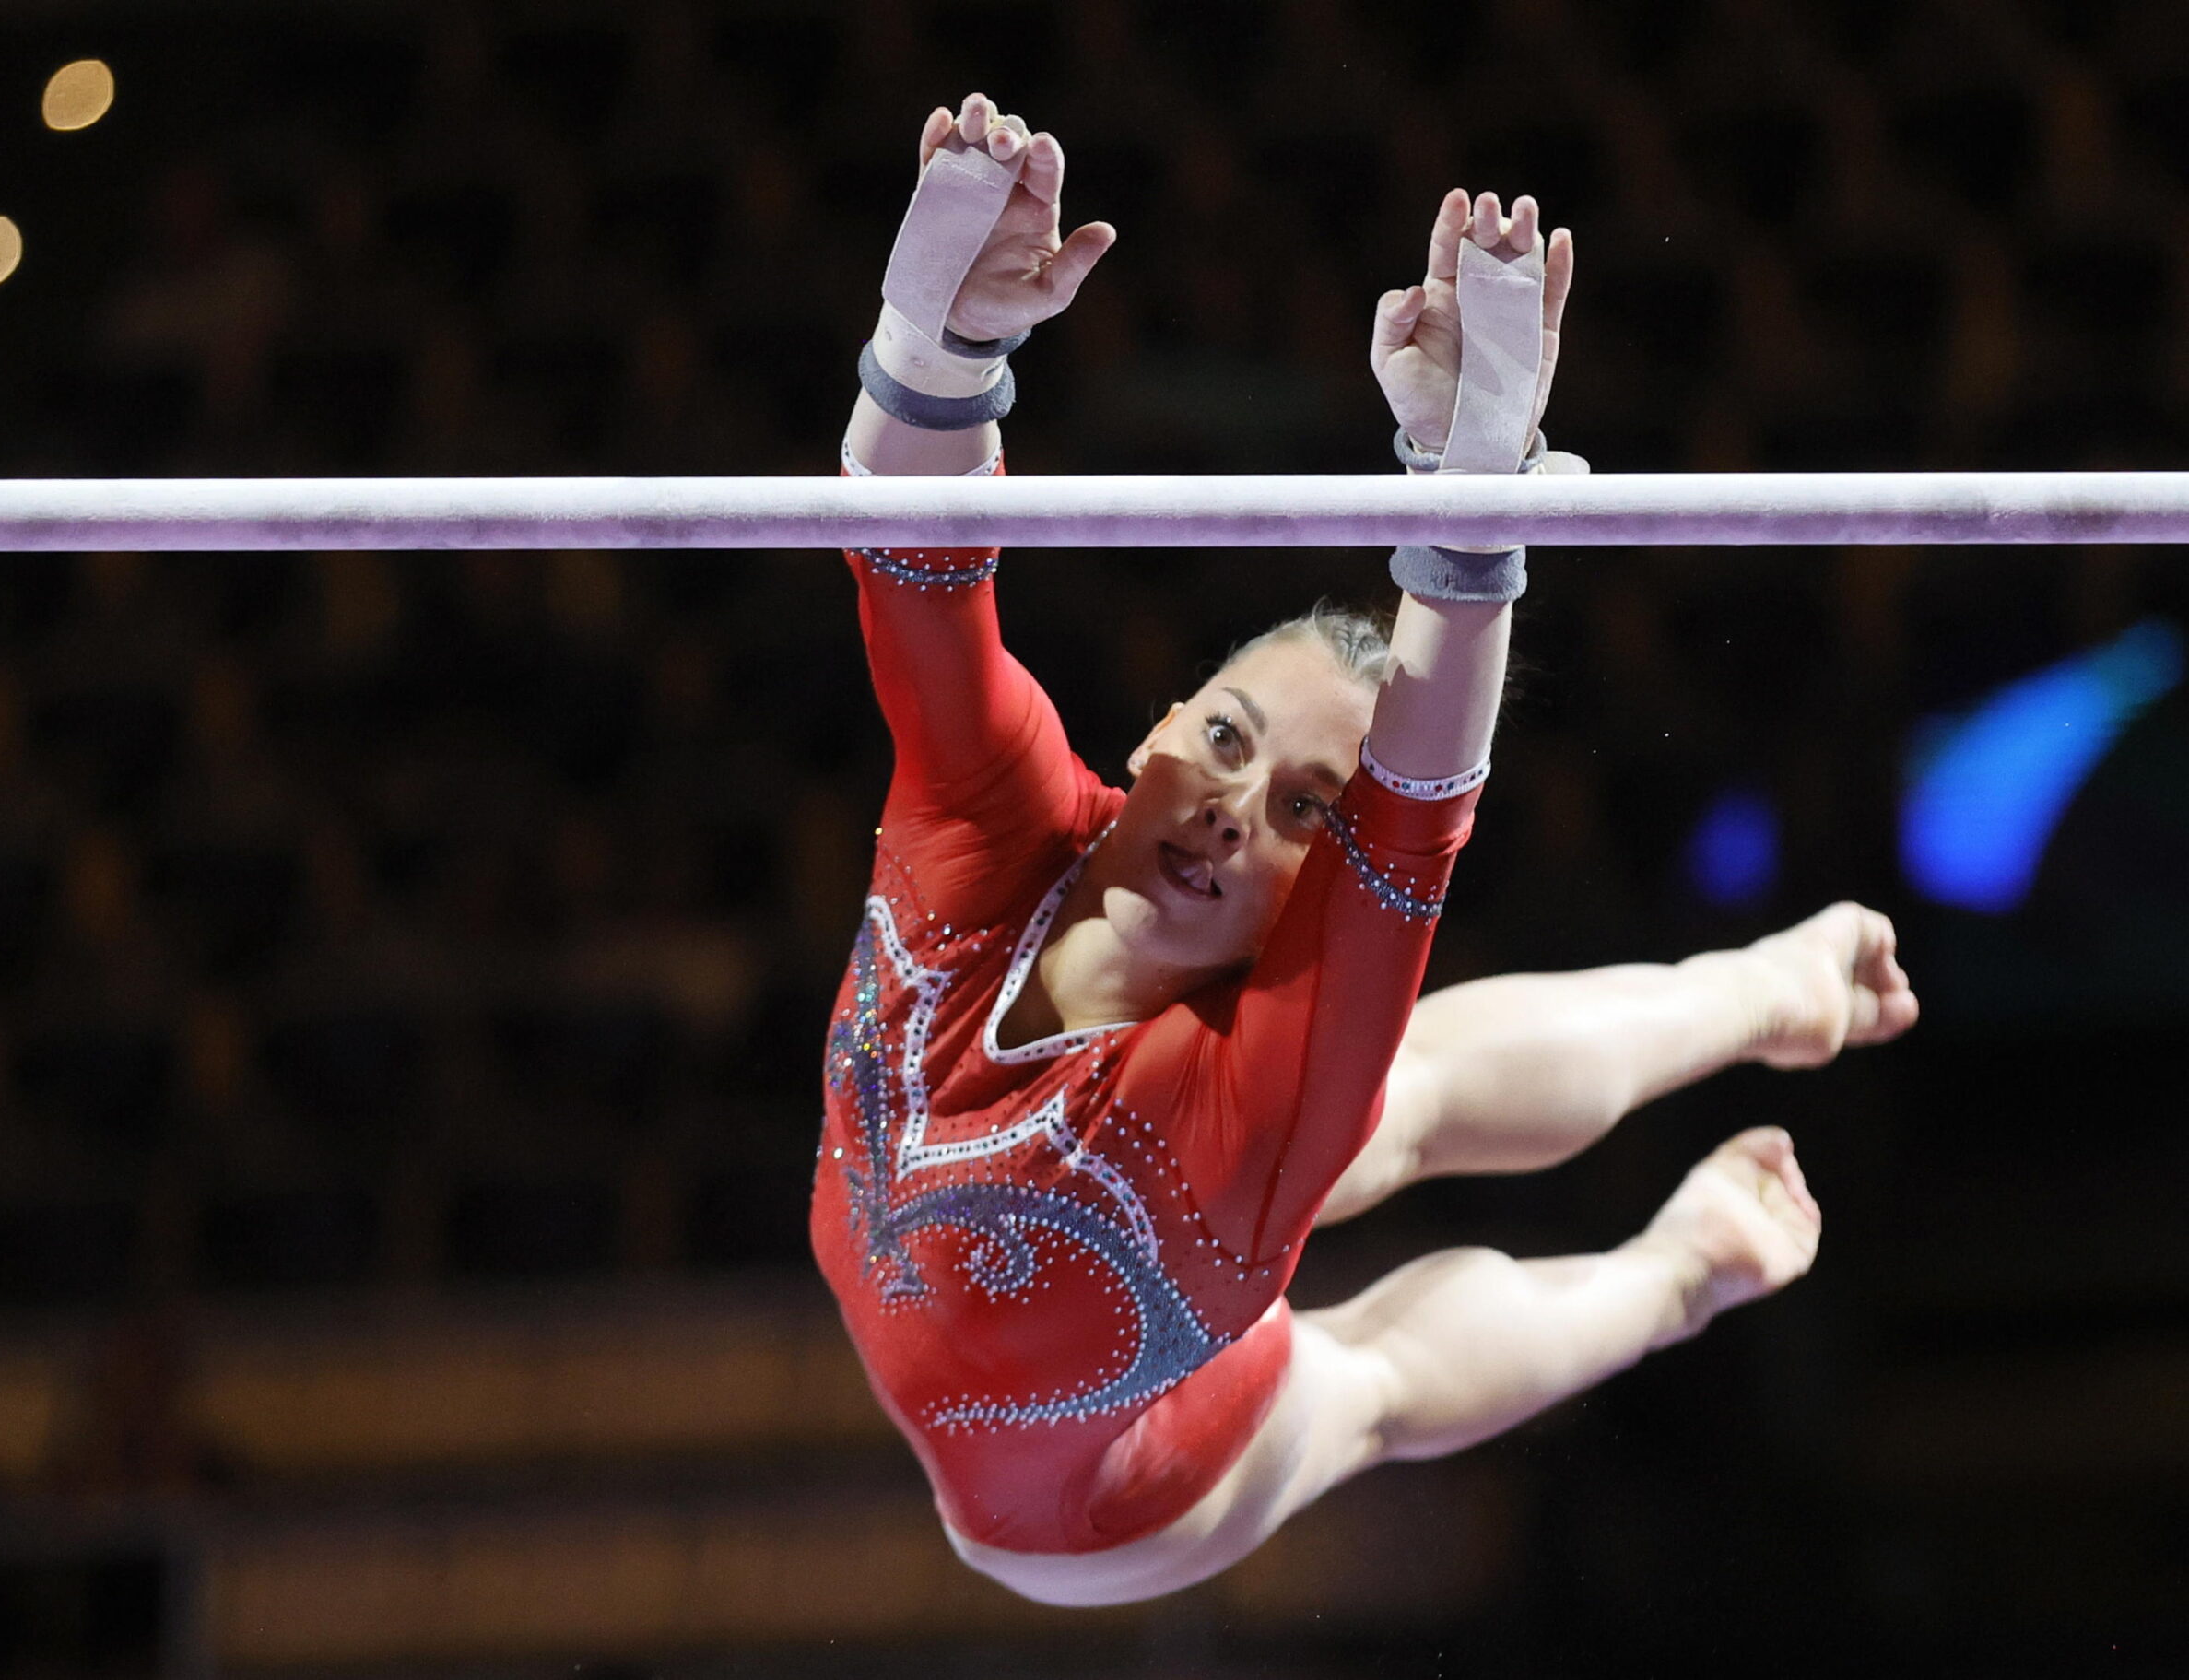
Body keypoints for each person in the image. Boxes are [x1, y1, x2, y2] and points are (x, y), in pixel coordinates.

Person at [814, 93, 1920, 1606]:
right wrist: (938, 347)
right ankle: (1766, 992)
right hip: (1189, 1232)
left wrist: (1469, 526)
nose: (1233, 801)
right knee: (1398, 1105)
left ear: (1320, 891)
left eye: (1302, 813)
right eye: (1227, 738)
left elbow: (1420, 799)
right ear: (1155, 729)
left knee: (1371, 1371)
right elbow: (914, 565)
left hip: (1121, 1503)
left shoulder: (1254, 1087)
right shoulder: (992, 823)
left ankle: (1675, 1273)